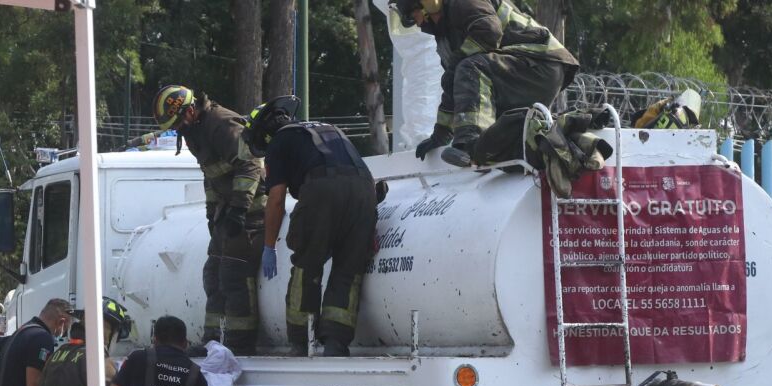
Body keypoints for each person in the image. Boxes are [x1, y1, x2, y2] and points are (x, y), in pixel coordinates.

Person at [247, 95, 378, 357]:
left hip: (321, 191)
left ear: (265, 135)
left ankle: (301, 341)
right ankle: (336, 344)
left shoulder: (280, 143)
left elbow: (275, 200)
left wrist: (269, 246)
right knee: (348, 269)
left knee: (308, 266)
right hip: (365, 190)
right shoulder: (329, 128)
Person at [151, 85, 267, 355]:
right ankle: (214, 339)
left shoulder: (221, 124)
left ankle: (240, 343)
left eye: (178, 122)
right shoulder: (194, 132)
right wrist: (211, 213)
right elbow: (212, 176)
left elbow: (249, 163)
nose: (178, 129)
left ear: (190, 110)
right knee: (212, 273)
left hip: (253, 210)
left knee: (233, 272)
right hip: (227, 212)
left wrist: (239, 209)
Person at [397, 0, 579, 167]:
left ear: (429, 4)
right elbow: (457, 86)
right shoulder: (445, 35)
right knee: (475, 86)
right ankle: (504, 156)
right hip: (528, 70)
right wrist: (440, 134)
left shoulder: (462, 3)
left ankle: (470, 145)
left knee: (470, 68)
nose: (418, 24)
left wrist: (457, 63)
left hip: (541, 64)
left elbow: (489, 31)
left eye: (414, 16)